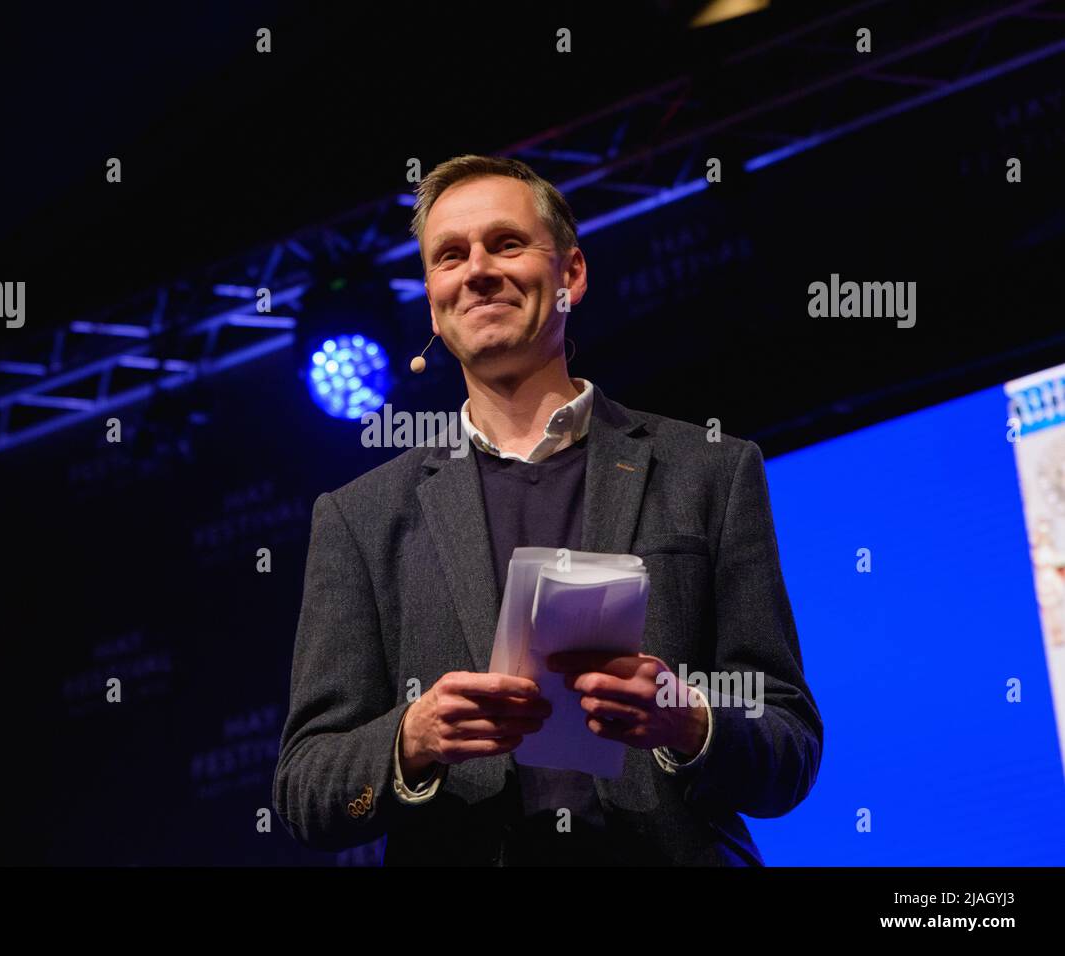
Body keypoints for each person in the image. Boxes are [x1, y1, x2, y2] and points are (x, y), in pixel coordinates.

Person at [273, 154, 822, 865]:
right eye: (450, 256)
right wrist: (413, 736)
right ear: (435, 302)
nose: (477, 270)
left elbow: (790, 748)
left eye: (506, 243)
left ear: (571, 275)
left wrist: (688, 720)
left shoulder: (709, 471)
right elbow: (305, 789)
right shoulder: (363, 518)